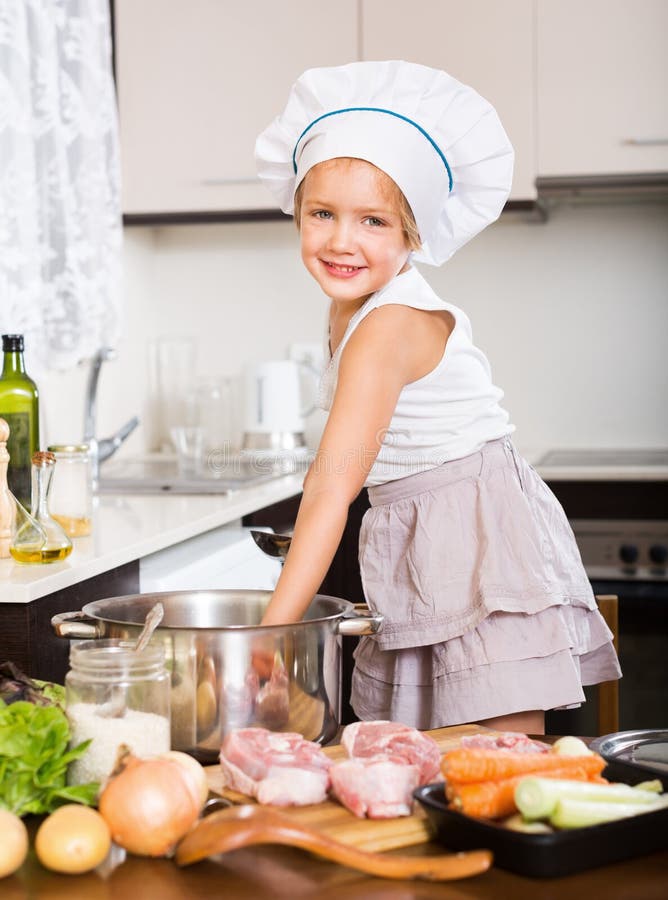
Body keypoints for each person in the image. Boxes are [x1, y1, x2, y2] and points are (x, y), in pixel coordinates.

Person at [254, 60, 621, 734]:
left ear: (411, 235)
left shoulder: (387, 325)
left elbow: (330, 488)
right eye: (322, 214)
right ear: (297, 212)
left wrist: (273, 632)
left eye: (373, 222)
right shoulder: (353, 309)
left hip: (474, 535)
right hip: (426, 528)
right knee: (438, 762)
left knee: (499, 752)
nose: (341, 239)